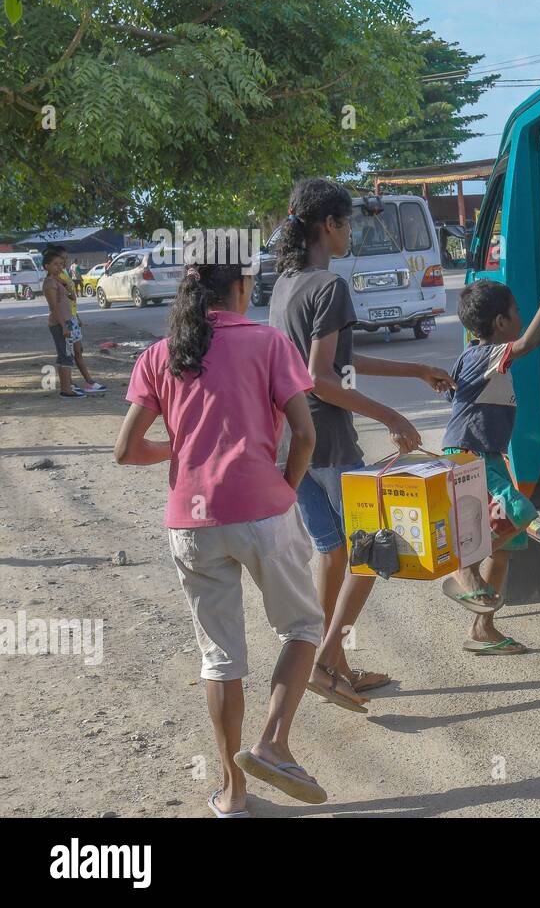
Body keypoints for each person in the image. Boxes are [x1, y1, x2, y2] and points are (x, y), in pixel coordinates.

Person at [114, 255, 327, 818]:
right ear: (238, 288)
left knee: (220, 659)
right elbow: (305, 434)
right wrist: (283, 487)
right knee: (304, 626)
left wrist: (180, 451)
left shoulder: (160, 355)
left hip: (190, 522)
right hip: (263, 510)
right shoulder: (268, 342)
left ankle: (233, 792)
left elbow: (126, 449)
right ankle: (274, 743)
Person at [269, 177, 453, 712]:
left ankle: (333, 664)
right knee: (375, 551)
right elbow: (320, 377)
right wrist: (392, 415)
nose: (350, 233)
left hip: (292, 446)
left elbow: (341, 363)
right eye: (347, 223)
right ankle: (325, 662)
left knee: (334, 551)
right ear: (329, 225)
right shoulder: (330, 288)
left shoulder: (288, 284)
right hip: (328, 442)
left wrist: (416, 369)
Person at [440, 279, 540, 655]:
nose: (520, 318)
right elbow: (528, 343)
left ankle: (482, 629)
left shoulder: (474, 354)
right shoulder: (489, 353)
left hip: (484, 456)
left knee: (505, 546)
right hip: (468, 456)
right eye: (517, 312)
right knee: (519, 512)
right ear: (501, 322)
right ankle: (459, 566)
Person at [46, 246, 105, 394]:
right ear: (47, 266)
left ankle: (71, 386)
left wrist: (75, 318)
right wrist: (64, 325)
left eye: (62, 262)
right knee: (66, 355)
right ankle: (67, 388)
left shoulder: (59, 278)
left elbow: (71, 299)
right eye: (58, 263)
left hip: (69, 320)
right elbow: (54, 307)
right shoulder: (50, 282)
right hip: (62, 323)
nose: (62, 265)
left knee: (72, 353)